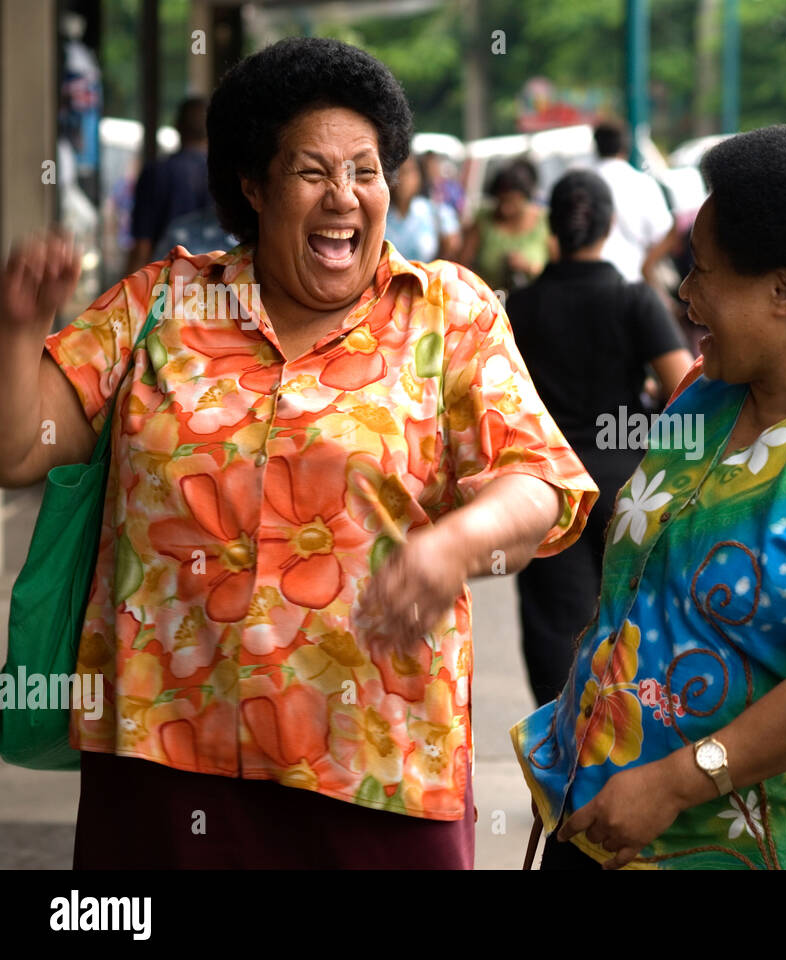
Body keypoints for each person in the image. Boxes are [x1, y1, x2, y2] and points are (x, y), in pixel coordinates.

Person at [0, 36, 597, 869]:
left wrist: (451, 544)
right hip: (164, 760)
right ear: (253, 185)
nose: (344, 197)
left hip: (376, 768)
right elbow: (22, 450)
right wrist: (20, 326)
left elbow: (540, 483)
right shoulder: (160, 305)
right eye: (313, 172)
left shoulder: (447, 315)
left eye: (366, 170)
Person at [511, 125, 786, 870]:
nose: (685, 295)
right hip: (601, 811)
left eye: (703, 271)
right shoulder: (702, 396)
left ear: (784, 293)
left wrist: (675, 784)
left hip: (734, 844)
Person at [508, 170, 694, 706]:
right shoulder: (634, 300)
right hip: (628, 488)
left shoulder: (520, 308)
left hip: (548, 492)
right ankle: (629, 768)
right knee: (634, 635)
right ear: (610, 224)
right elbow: (685, 386)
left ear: (553, 226)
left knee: (558, 645)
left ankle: (560, 771)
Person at [127, 97, 211, 273]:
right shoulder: (225, 176)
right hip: (216, 283)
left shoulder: (157, 173)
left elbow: (142, 245)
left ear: (177, 127)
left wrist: (127, 292)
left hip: (165, 283)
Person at [593, 120, 675, 285]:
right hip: (633, 281)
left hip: (591, 283)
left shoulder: (582, 183)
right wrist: (646, 266)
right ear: (625, 148)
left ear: (596, 147)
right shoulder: (644, 184)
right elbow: (664, 234)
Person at [460, 159, 550, 297]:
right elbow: (462, 265)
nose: (505, 209)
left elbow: (559, 270)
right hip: (489, 302)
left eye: (512, 202)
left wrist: (528, 267)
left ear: (526, 198)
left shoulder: (543, 222)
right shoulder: (484, 220)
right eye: (501, 201)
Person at [385, 153, 458, 263]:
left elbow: (453, 248)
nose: (402, 178)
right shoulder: (379, 213)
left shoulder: (435, 212)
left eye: (408, 172)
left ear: (419, 177)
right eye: (397, 172)